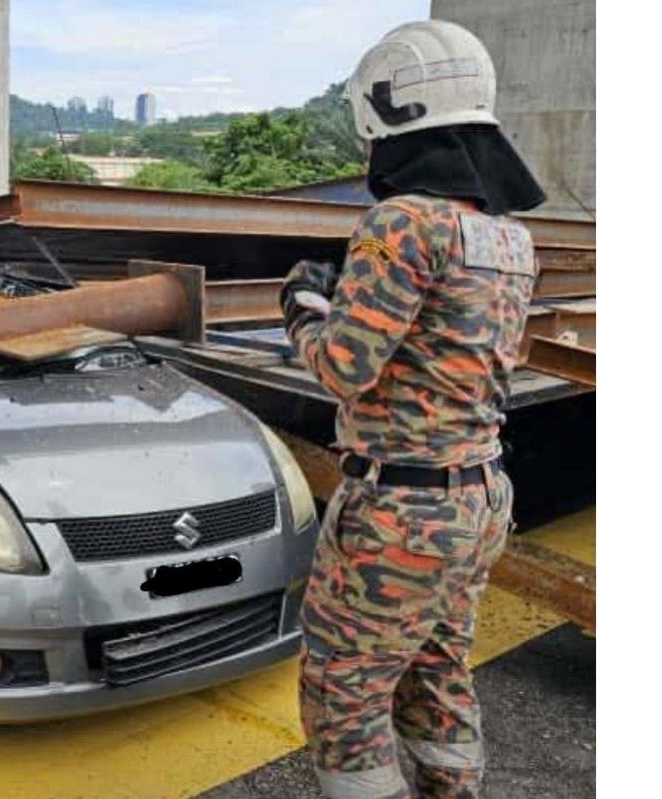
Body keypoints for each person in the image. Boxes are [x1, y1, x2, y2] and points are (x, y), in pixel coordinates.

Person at [280, 19, 547, 799]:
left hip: (401, 508)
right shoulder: (507, 237)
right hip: (479, 498)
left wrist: (302, 304)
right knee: (437, 669)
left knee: (345, 688)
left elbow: (343, 366)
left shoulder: (403, 224)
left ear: (393, 118)